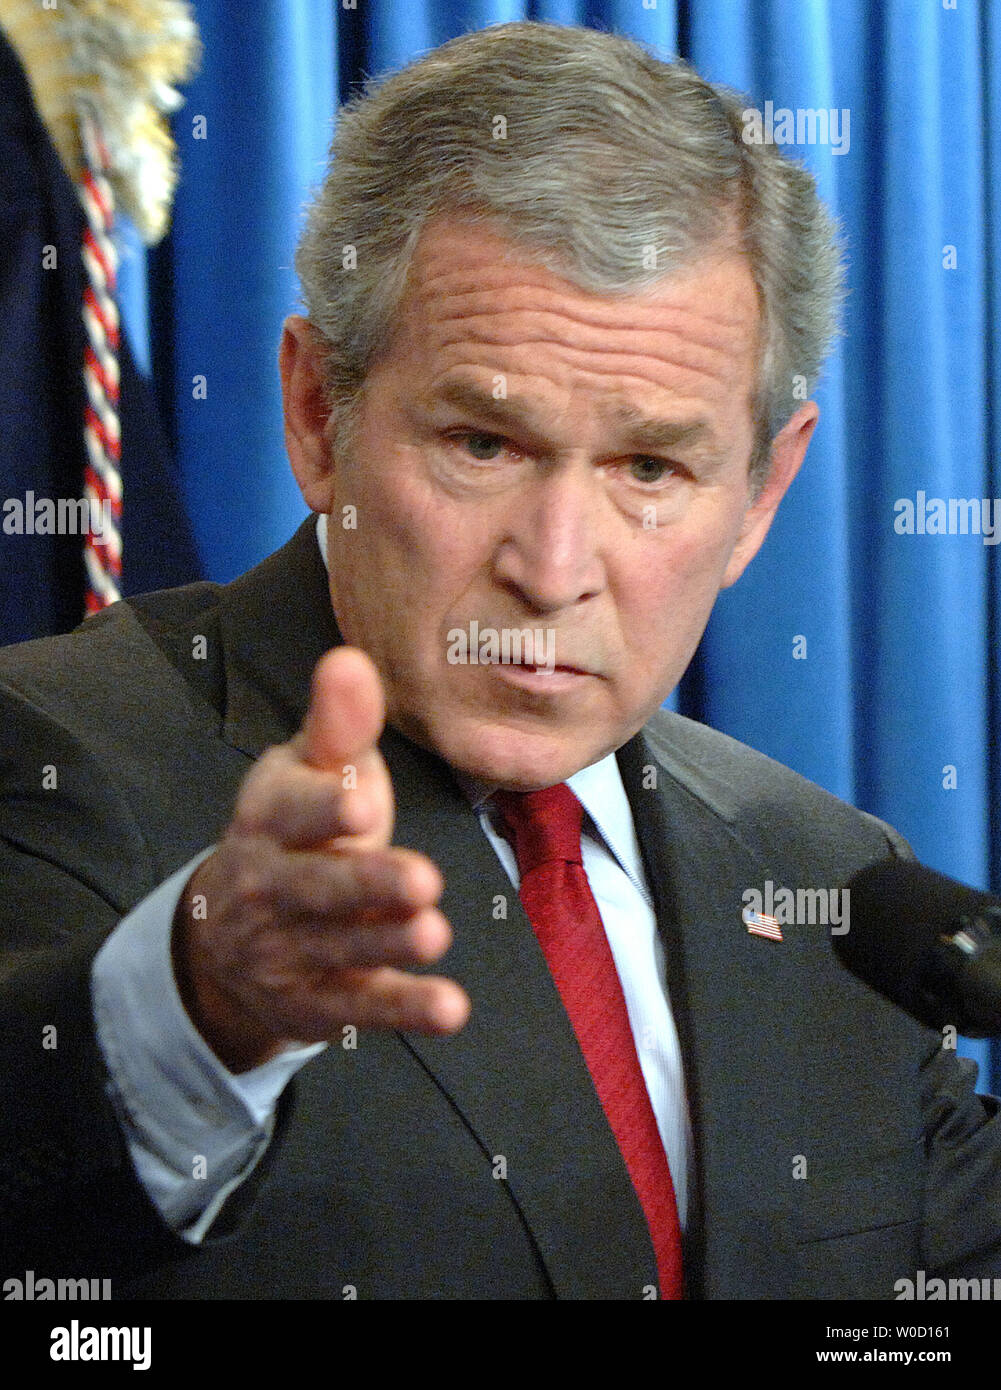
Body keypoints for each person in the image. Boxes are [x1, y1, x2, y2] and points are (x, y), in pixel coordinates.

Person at [2, 20, 1000, 1301]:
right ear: (317, 414)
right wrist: (197, 1009)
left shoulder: (832, 884)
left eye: (650, 467)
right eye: (483, 442)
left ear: (759, 494)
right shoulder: (50, 754)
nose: (554, 562)